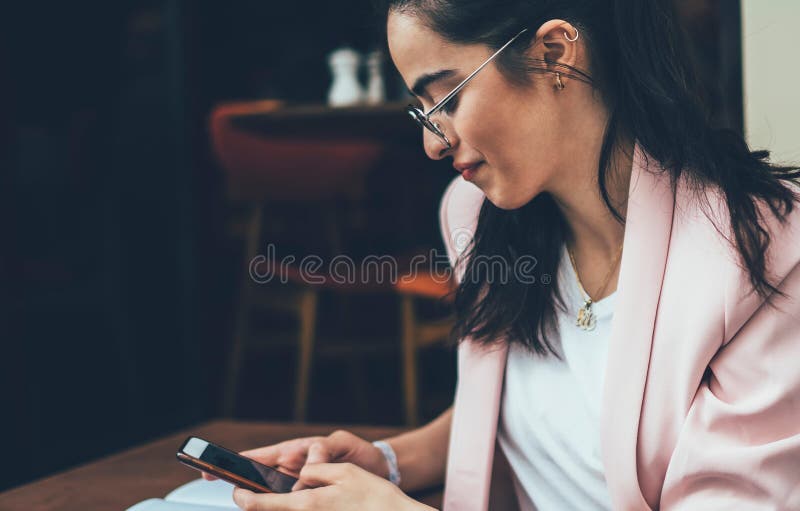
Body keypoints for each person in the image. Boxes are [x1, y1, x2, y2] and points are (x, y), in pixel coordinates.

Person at [217, 0, 800, 509]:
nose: (431, 141)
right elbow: (540, 407)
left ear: (553, 54)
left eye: (446, 97)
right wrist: (392, 462)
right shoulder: (477, 218)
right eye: (423, 111)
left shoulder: (764, 251)